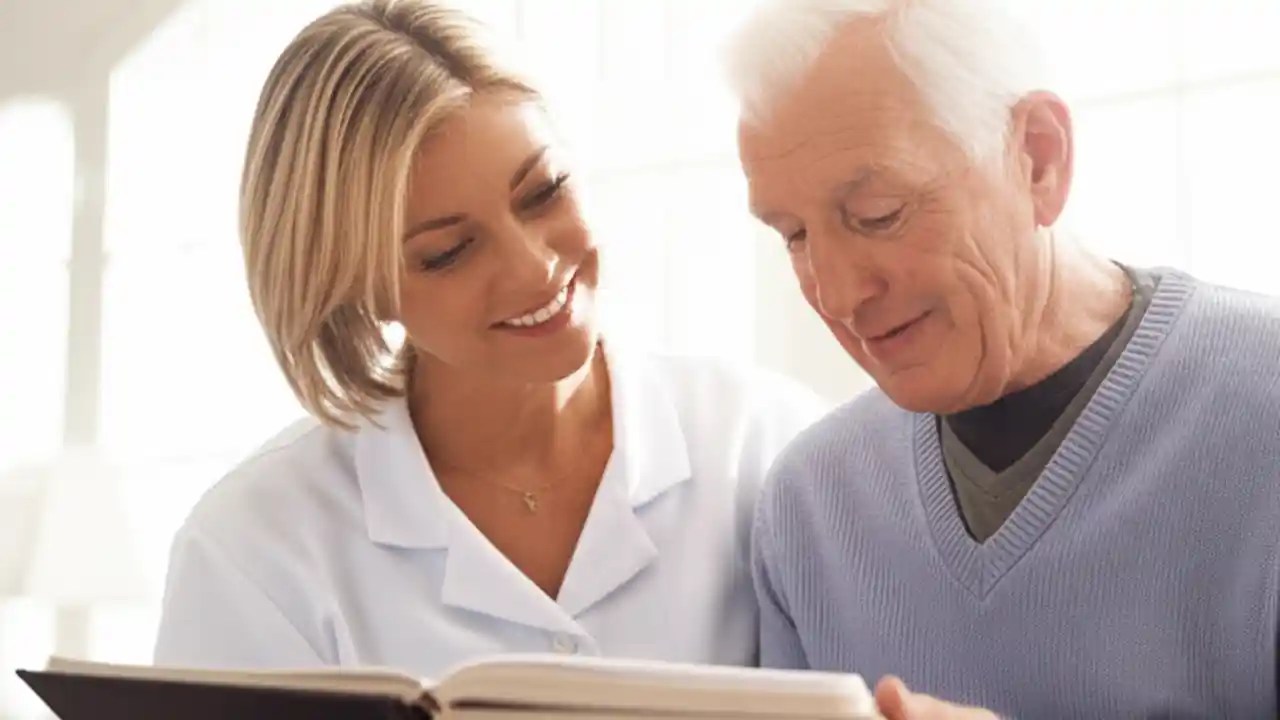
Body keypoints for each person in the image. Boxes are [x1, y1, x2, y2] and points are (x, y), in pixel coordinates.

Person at [152, 0, 828, 678]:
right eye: (448, 252)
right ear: (357, 287)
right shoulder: (253, 551)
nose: (534, 268)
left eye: (545, 192)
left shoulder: (771, 450)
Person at [725, 0, 1280, 718]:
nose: (836, 294)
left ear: (1037, 159)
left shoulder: (1261, 418)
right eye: (795, 235)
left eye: (879, 214)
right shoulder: (812, 507)